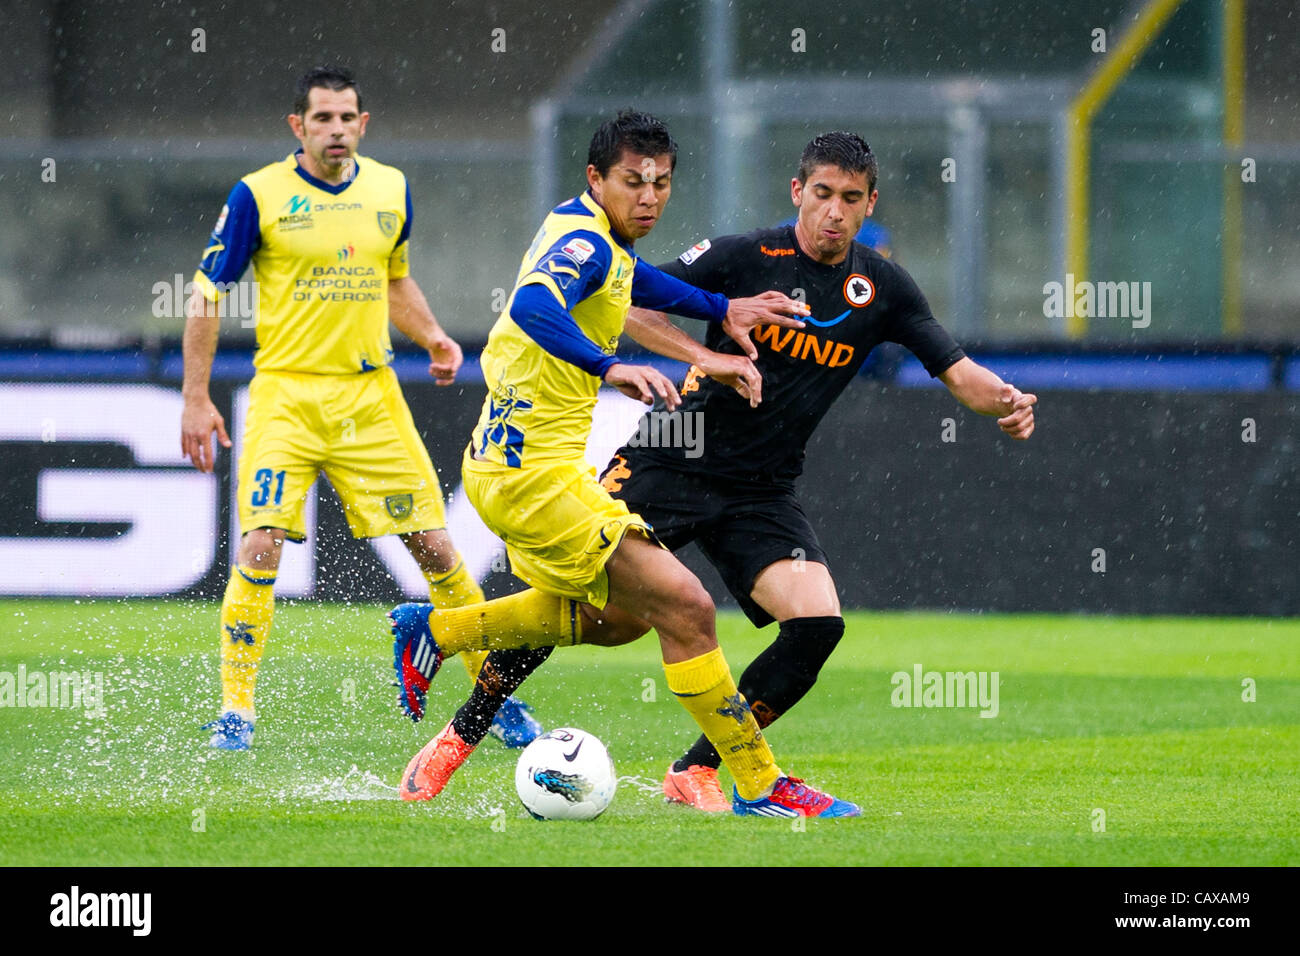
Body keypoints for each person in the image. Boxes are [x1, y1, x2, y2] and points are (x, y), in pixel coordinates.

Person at [398, 131, 1038, 811]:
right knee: (607, 615)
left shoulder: (882, 287)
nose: (835, 212)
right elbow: (632, 306)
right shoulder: (742, 255)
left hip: (762, 488)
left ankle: (699, 769)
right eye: (822, 194)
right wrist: (702, 358)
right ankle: (456, 739)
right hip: (675, 455)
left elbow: (958, 371)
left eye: (852, 199)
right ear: (798, 192)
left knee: (818, 624)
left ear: (870, 202)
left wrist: (1006, 401)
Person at [388, 109, 862, 818]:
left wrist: (718, 307)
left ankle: (441, 629)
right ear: (596, 178)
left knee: (627, 617)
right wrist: (610, 365)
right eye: (633, 181)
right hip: (529, 478)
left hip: (528, 473)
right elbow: (532, 304)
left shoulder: (596, 238)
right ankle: (759, 785)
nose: (649, 196)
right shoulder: (581, 241)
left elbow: (636, 281)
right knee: (689, 606)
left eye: (662, 184)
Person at [180, 65, 541, 750]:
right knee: (261, 542)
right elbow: (205, 294)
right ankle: (237, 710)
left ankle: (494, 700)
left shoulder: (391, 188)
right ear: (298, 126)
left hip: (370, 398)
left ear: (363, 124)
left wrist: (433, 335)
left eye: (347, 118)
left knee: (436, 547)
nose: (336, 130)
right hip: (286, 393)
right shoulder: (258, 195)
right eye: (322, 119)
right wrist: (195, 399)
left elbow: (393, 278)